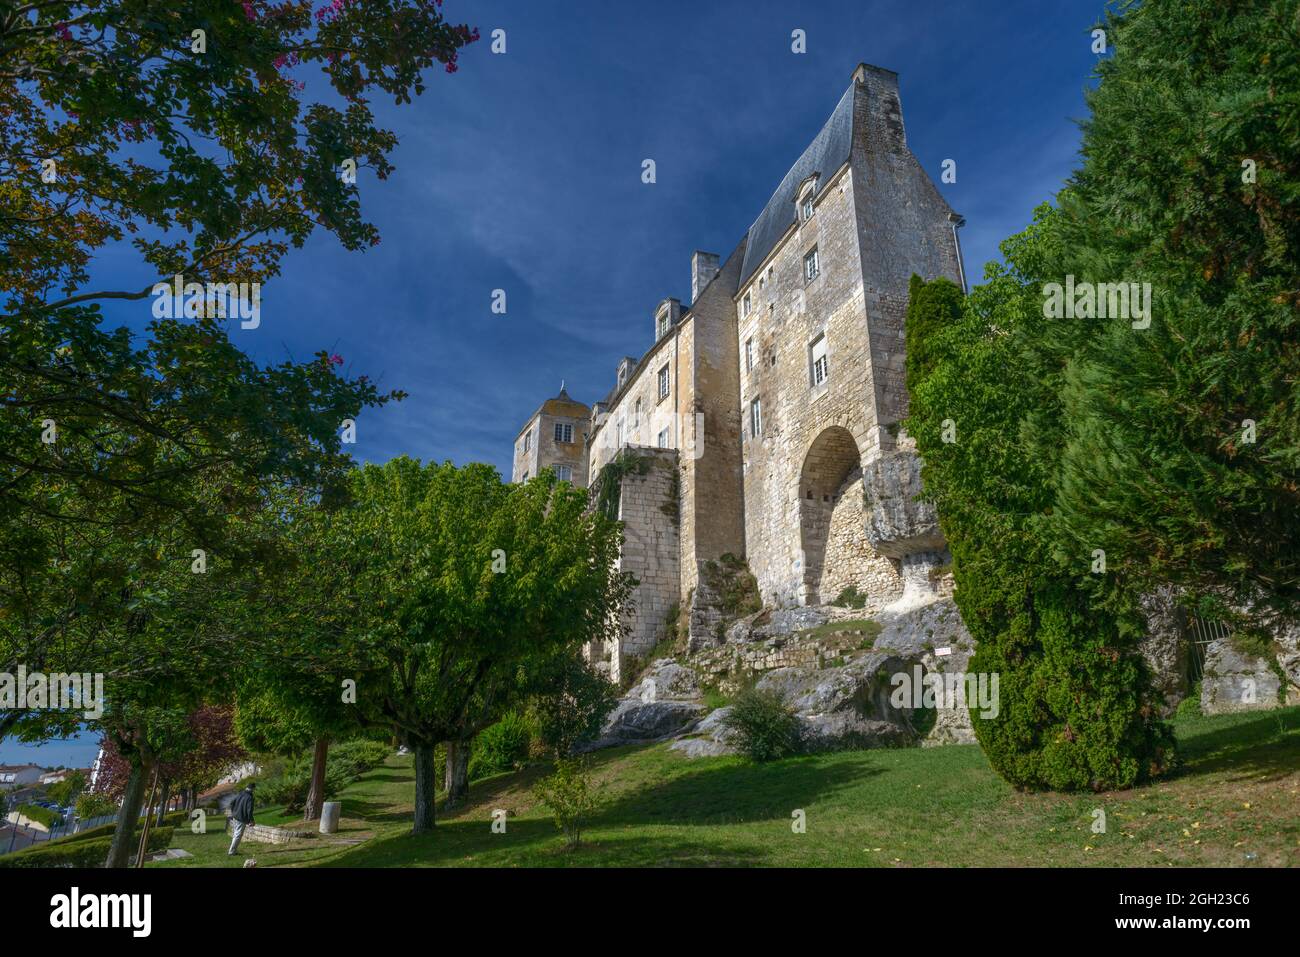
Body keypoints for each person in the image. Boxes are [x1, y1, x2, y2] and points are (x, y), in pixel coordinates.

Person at [227, 782, 256, 856]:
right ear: (253, 789)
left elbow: (231, 803)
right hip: (241, 818)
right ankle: (231, 852)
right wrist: (251, 820)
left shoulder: (240, 793)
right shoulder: (250, 797)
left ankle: (233, 851)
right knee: (238, 835)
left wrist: (233, 812)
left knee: (236, 834)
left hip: (235, 816)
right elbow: (249, 810)